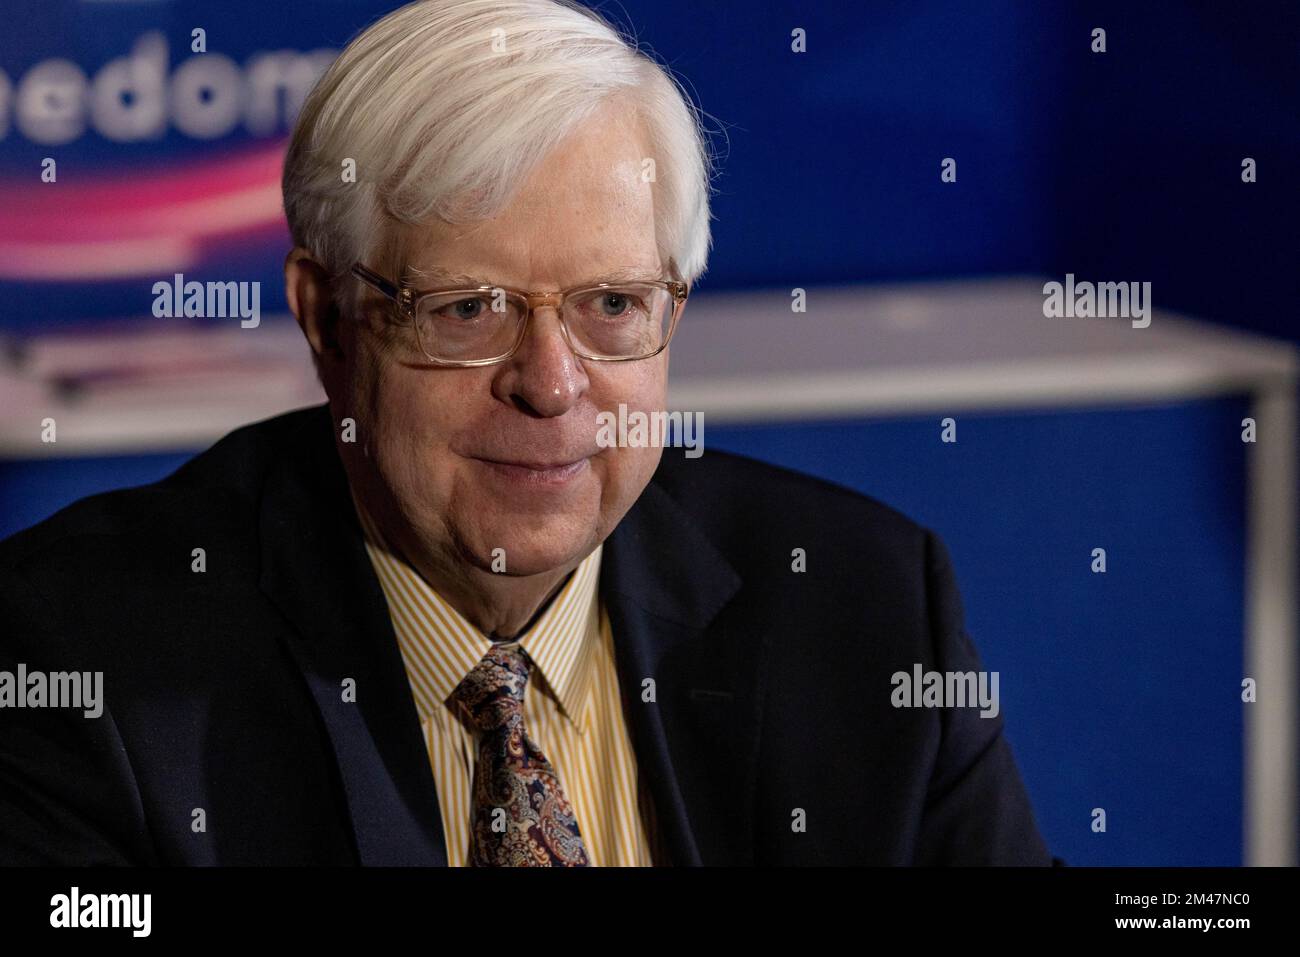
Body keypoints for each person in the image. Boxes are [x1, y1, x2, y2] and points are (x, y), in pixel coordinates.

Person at [0, 0, 1053, 866]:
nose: (552, 386)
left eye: (610, 307)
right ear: (327, 320)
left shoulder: (863, 609)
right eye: (468, 310)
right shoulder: (80, 662)